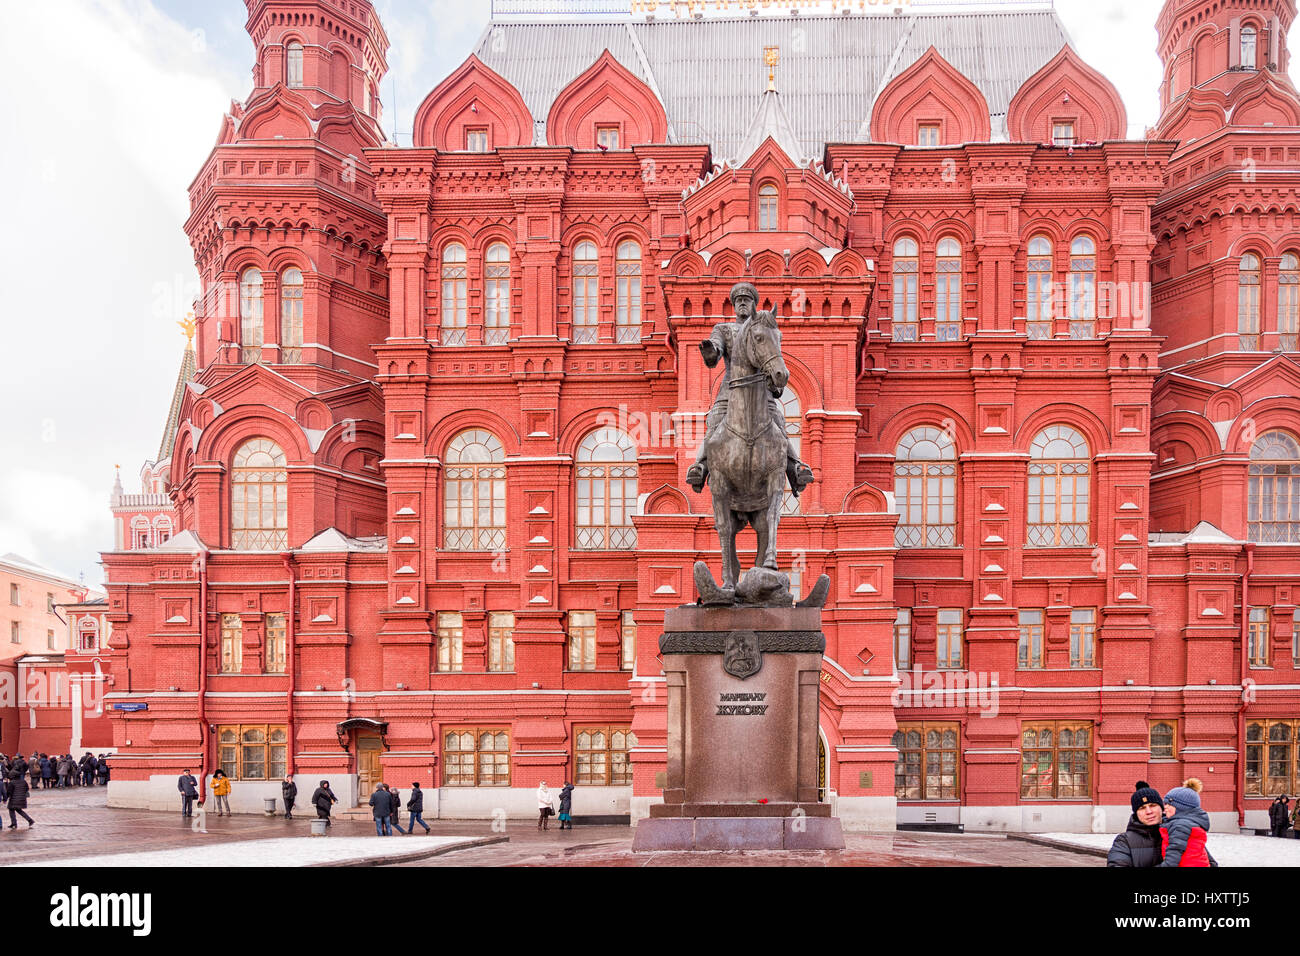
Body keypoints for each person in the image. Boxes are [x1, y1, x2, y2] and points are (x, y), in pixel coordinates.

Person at [684, 282, 814, 499]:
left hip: (762, 392)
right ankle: (699, 466)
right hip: (730, 392)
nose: (743, 303)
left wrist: (776, 379)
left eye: (747, 300)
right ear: (734, 305)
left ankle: (795, 469)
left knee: (779, 423)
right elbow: (715, 352)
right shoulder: (724, 329)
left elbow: (773, 354)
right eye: (738, 300)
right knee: (714, 422)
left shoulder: (764, 327)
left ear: (754, 304)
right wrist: (710, 350)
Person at [1159, 778, 1218, 867]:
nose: (1165, 807)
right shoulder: (1190, 823)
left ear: (1181, 808)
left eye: (1169, 804)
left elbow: (1174, 854)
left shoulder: (1180, 826)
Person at [1107, 781, 1164, 867]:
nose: (1149, 812)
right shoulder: (1124, 841)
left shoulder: (1178, 833)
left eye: (1153, 805)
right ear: (1136, 814)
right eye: (1142, 808)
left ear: (1162, 808)